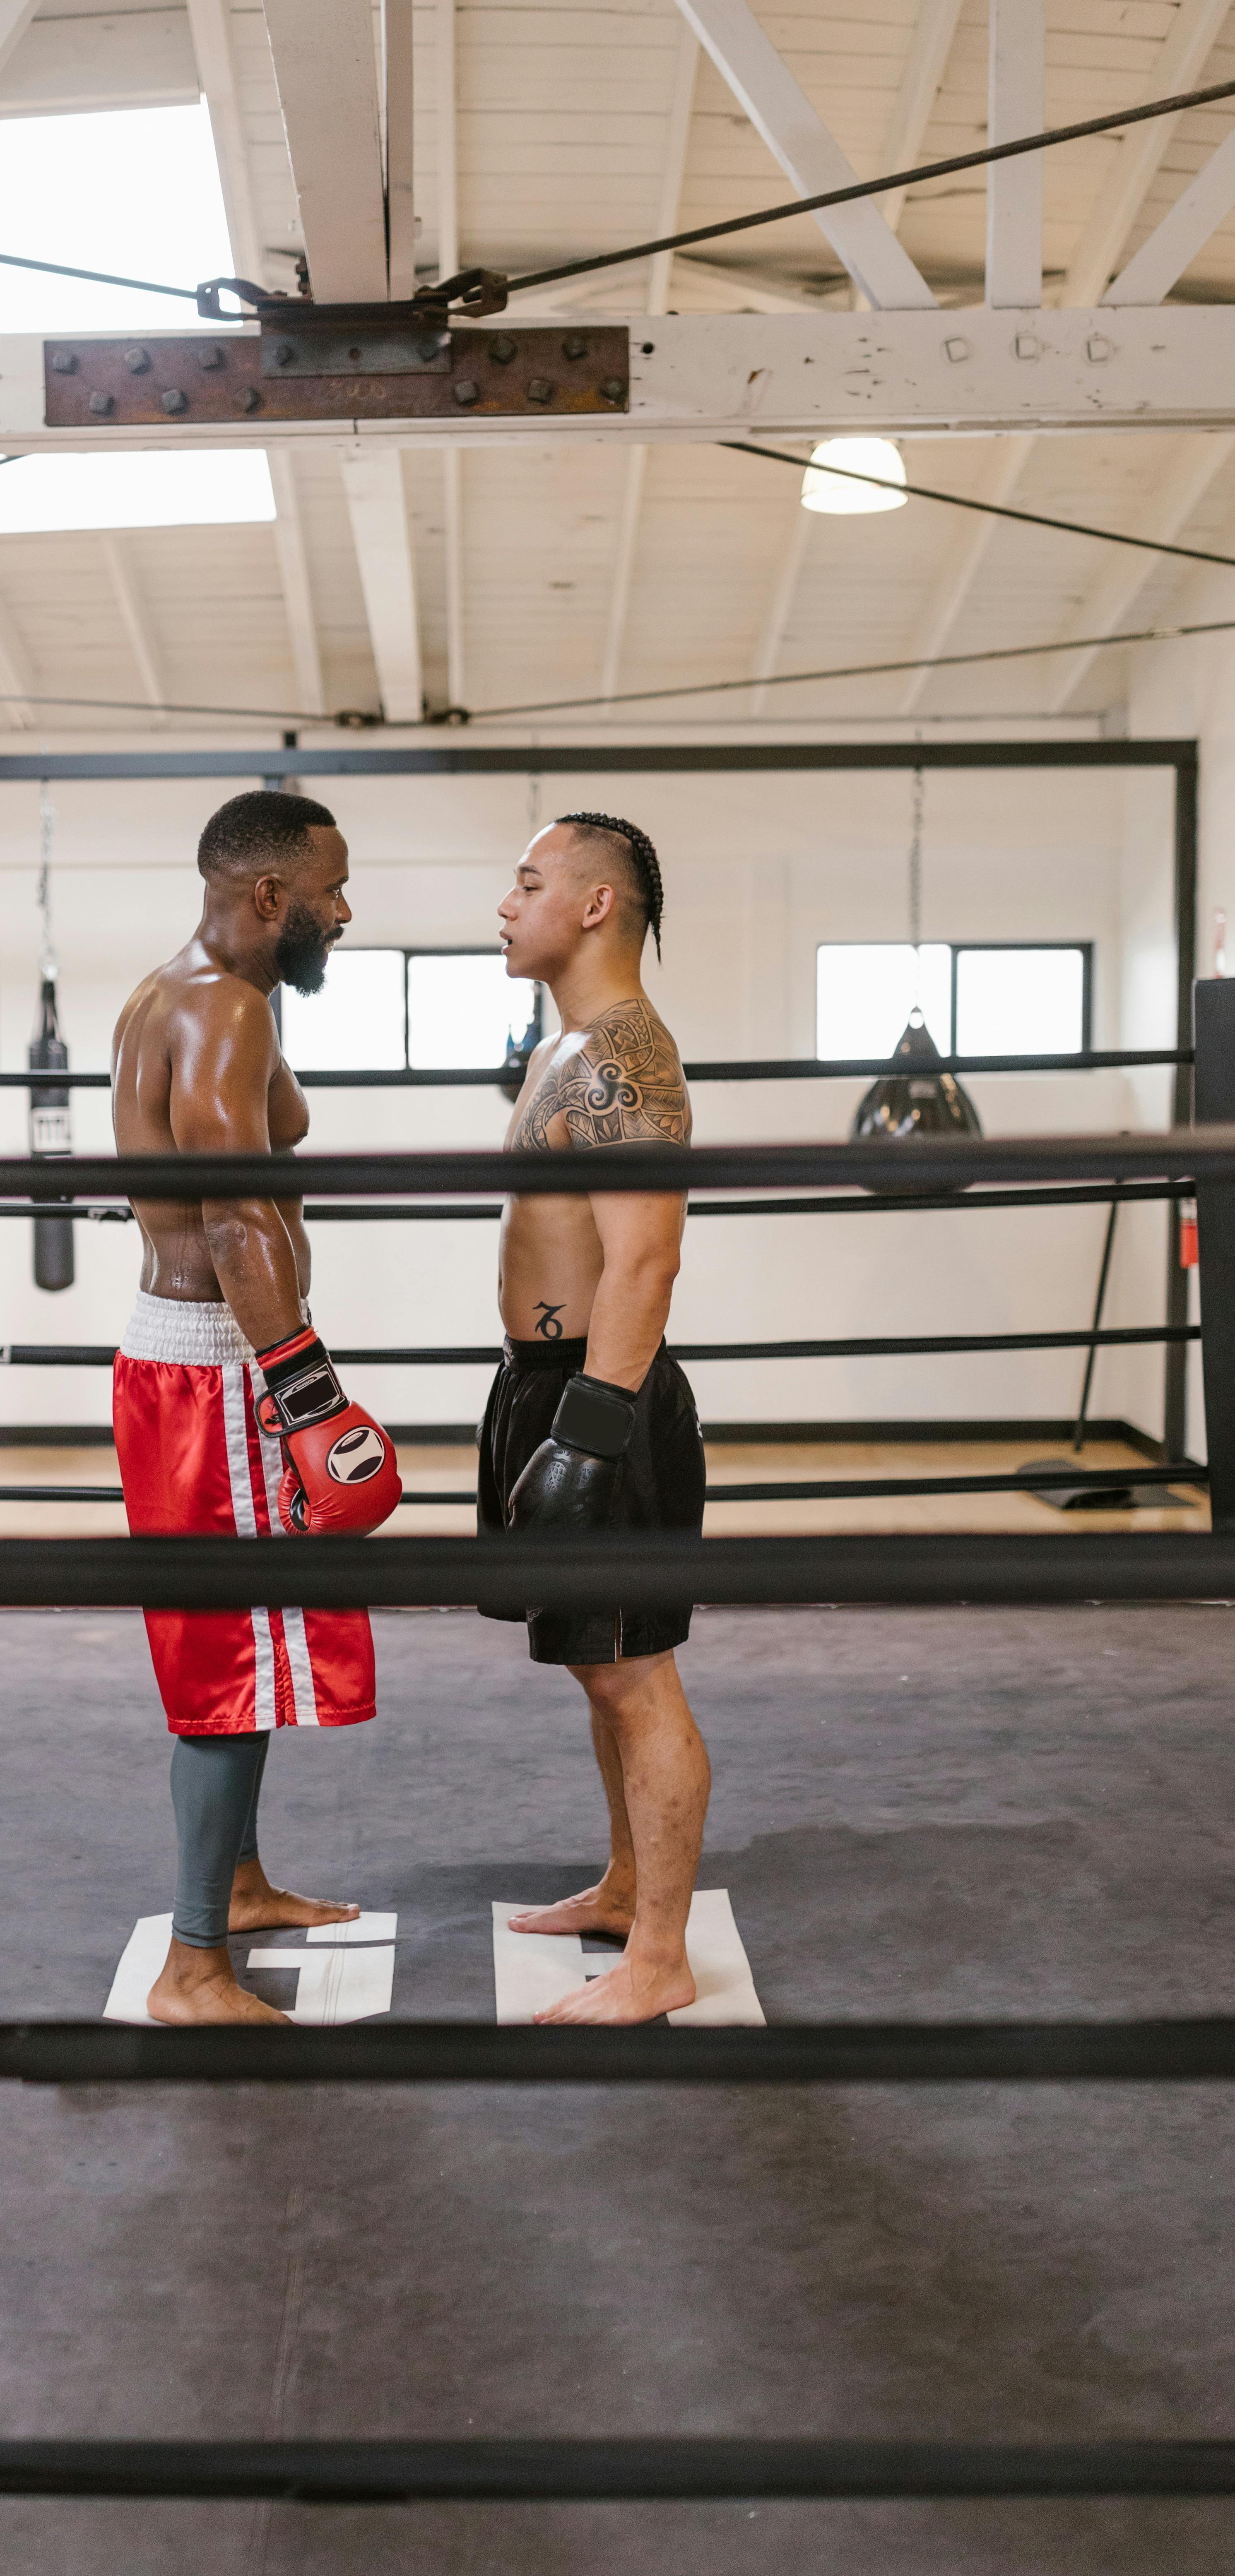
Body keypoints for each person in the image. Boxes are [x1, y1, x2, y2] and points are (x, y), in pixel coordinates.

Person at [111, 789, 402, 2026]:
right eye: (330, 891)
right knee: (231, 1664)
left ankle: (238, 1885)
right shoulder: (222, 1008)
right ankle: (193, 1970)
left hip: (202, 1370)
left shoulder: (195, 992)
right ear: (270, 895)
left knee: (253, 1652)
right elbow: (235, 1215)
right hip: (218, 1374)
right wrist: (304, 1391)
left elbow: (260, 1157)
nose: (345, 911)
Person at [478, 811, 709, 2025]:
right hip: (542, 1383)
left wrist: (594, 1429)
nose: (505, 907)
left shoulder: (626, 1054)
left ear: (596, 907)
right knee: (596, 1668)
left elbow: (647, 1261)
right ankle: (628, 1886)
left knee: (639, 1679)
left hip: (598, 1393)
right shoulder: (562, 1049)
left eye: (528, 885)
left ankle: (659, 1957)